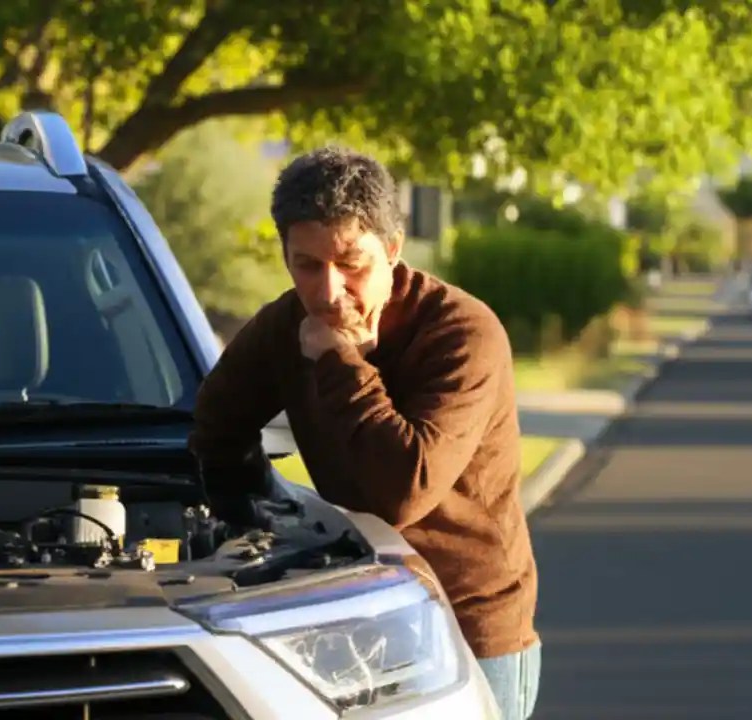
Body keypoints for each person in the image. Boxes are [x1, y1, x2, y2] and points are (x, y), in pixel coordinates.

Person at [188, 146, 541, 719]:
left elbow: (401, 491)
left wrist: (339, 362)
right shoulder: (285, 327)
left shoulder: (462, 333)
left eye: (351, 262)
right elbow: (215, 428)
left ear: (393, 250)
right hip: (347, 619)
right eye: (307, 265)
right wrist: (264, 516)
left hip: (467, 627)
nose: (330, 292)